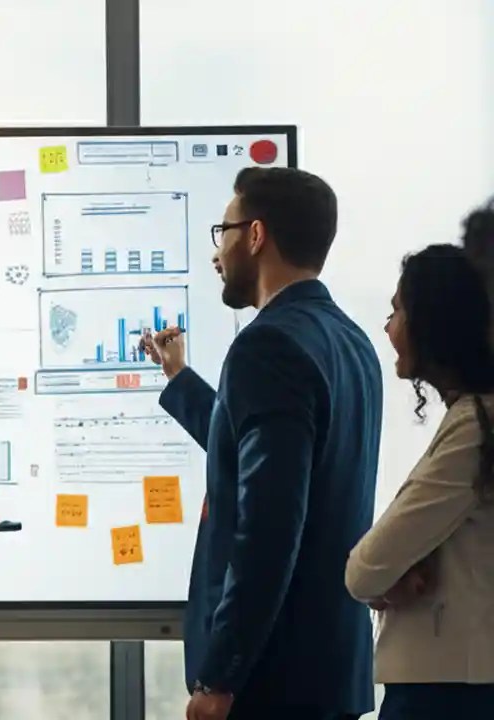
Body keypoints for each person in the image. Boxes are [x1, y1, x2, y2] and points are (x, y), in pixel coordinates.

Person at [143, 168, 381, 720]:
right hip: (326, 675)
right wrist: (179, 377)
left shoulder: (266, 346)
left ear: (255, 235)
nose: (216, 254)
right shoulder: (352, 343)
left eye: (221, 232)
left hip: (269, 680)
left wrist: (220, 676)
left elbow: (268, 527)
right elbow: (268, 462)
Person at [344, 242, 494, 718]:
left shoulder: (475, 427)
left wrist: (384, 580)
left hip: (448, 691)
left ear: (430, 324)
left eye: (396, 311)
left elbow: (364, 569)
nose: (389, 327)